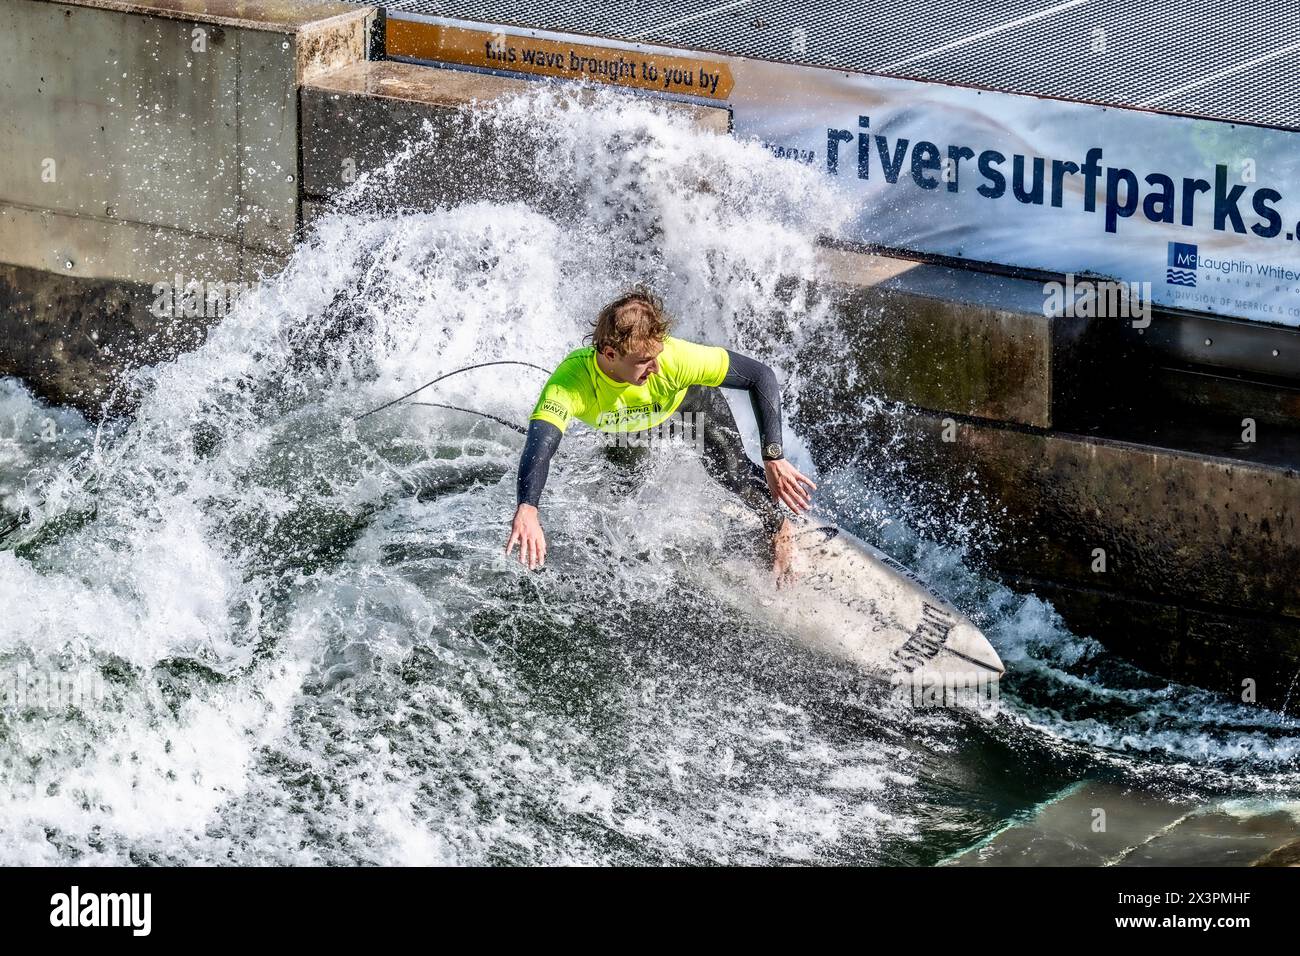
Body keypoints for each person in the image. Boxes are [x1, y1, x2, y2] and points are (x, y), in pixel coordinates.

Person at [505, 286, 817, 582]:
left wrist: (773, 456)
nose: (656, 367)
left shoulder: (674, 359)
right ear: (610, 354)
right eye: (643, 362)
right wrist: (528, 507)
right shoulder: (570, 383)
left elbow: (760, 376)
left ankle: (779, 529)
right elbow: (540, 447)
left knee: (732, 473)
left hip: (687, 408)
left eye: (657, 355)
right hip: (626, 429)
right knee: (620, 494)